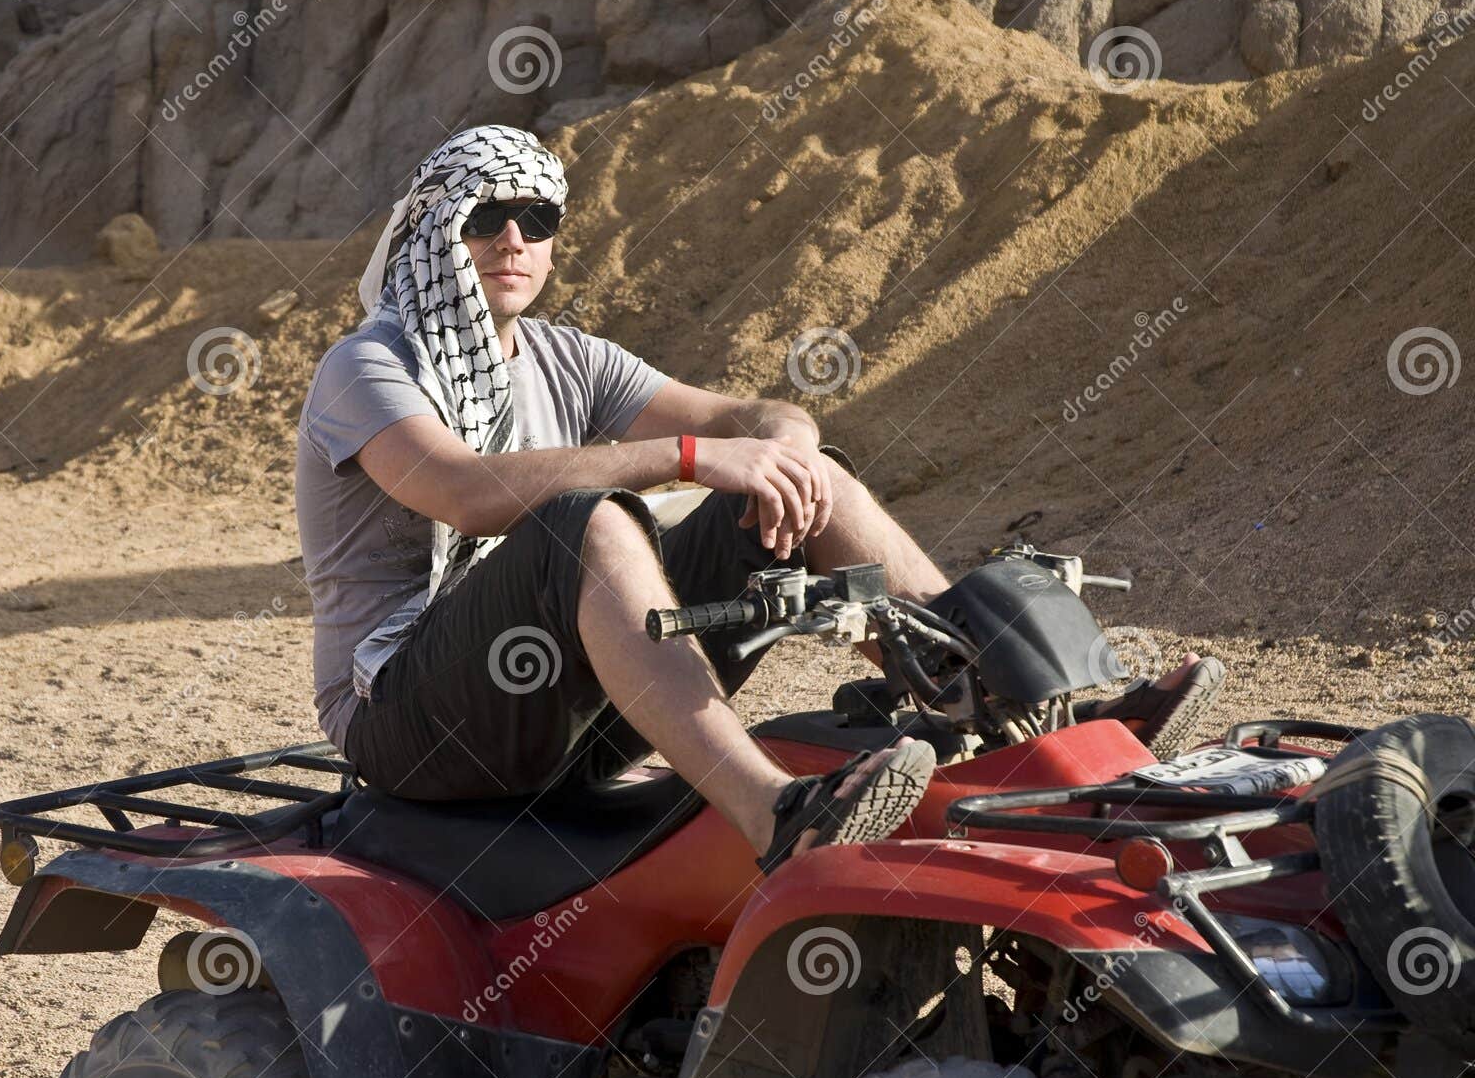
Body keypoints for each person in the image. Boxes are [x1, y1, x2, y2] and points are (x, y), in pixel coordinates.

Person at [295, 124, 1223, 875]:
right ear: (433, 230)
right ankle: (776, 814)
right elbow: (461, 494)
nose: (514, 239)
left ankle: (1037, 713)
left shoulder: (564, 353)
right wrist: (692, 457)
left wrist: (783, 449)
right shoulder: (369, 366)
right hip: (410, 721)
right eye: (486, 214)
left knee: (807, 478)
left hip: (560, 706)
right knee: (591, 524)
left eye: (537, 218)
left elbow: (755, 413)